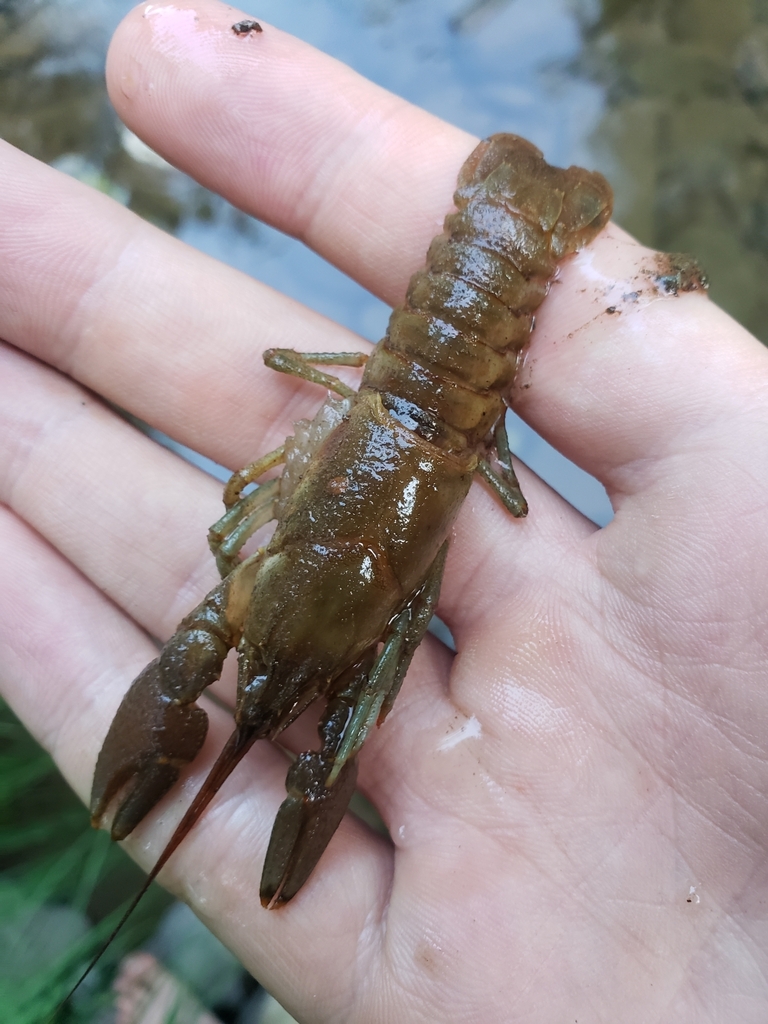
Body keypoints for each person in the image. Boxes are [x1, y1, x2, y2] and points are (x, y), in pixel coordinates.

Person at [2, 2, 767, 1020]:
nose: (256, 690)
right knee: (339, 662)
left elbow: (251, 516)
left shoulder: (298, 575)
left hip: (437, 373)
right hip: (423, 407)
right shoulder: (375, 618)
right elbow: (358, 606)